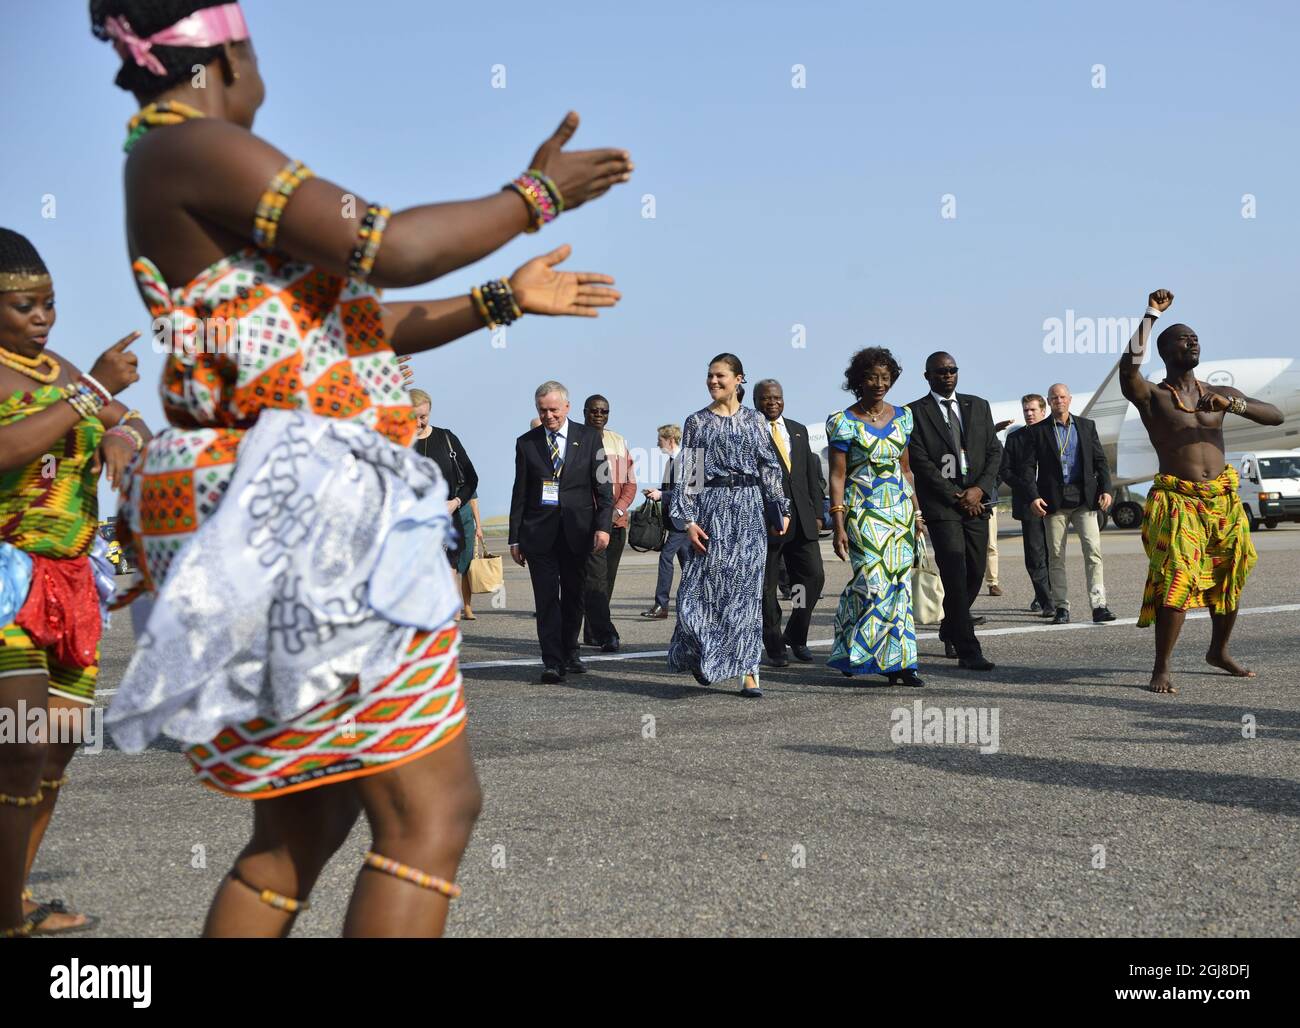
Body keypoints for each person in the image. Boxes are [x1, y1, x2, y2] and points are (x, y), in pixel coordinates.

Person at [92, 0, 631, 938]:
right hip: (301, 515)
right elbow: (386, 243)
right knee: (431, 814)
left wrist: (502, 298)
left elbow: (359, 326)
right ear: (224, 52)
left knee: (304, 821)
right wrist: (534, 195)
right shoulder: (192, 147)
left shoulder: (169, 163)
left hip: (255, 511)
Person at [0, 228, 150, 936]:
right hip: (8, 582)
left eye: (50, 303)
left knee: (55, 750)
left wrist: (122, 435)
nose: (43, 317)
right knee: (18, 744)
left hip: (75, 582)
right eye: (25, 305)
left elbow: (134, 423)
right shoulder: (61, 380)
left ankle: (15, 898)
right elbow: (6, 448)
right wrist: (93, 394)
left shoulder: (60, 370)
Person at [1119, 289, 1283, 694]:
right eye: (1183, 338)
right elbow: (1127, 371)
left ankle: (1218, 651)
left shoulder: (1218, 395)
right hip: (1178, 502)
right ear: (1164, 351)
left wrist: (1232, 406)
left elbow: (1275, 417)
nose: (1192, 342)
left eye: (1195, 338)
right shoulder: (1154, 397)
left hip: (1223, 501)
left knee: (1229, 578)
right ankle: (1162, 667)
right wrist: (1151, 315)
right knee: (1177, 579)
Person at [668, 354, 789, 698]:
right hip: (712, 511)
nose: (713, 381)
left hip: (749, 511)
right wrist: (689, 521)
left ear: (739, 379)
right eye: (709, 376)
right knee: (701, 592)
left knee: (747, 596)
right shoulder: (697, 422)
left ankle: (749, 672)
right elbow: (690, 476)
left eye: (720, 376)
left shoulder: (755, 421)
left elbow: (769, 467)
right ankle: (703, 655)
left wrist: (781, 507)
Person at [825, 348, 921, 686]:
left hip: (900, 513)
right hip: (863, 514)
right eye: (871, 377)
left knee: (899, 585)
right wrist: (838, 523)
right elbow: (837, 476)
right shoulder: (843, 422)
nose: (879, 384)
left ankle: (901, 663)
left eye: (885, 377)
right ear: (858, 381)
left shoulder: (904, 417)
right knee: (872, 584)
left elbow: (906, 470)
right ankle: (854, 648)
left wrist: (917, 514)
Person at [509, 381, 613, 682]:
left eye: (554, 409)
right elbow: (520, 492)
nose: (549, 416)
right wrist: (514, 537)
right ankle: (552, 661)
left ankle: (570, 651)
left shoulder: (590, 438)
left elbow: (603, 489)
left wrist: (603, 528)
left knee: (573, 596)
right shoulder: (526, 443)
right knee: (545, 600)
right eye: (542, 410)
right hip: (538, 535)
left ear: (567, 407)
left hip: (577, 532)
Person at [906, 352, 1000, 671]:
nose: (947, 375)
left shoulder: (979, 406)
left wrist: (978, 490)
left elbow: (993, 452)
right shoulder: (915, 413)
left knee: (975, 570)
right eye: (941, 371)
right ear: (927, 376)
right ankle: (968, 648)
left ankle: (950, 627)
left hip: (977, 504)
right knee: (956, 574)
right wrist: (957, 495)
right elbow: (920, 461)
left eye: (952, 370)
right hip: (943, 507)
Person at [1011, 383, 1116, 625]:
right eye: (1054, 398)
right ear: (1049, 402)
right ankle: (1061, 607)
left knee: (1093, 552)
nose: (1059, 401)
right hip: (1053, 503)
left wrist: (1107, 490)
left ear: (1069, 399)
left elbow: (1100, 461)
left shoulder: (1087, 426)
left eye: (1062, 397)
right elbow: (1027, 469)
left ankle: (1099, 605)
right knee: (1056, 556)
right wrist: (1033, 496)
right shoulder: (1038, 431)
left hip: (1084, 500)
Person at [753, 379, 825, 666]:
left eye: (777, 398)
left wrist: (818, 513)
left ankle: (796, 634)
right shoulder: (751, 432)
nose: (772, 403)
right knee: (767, 588)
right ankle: (774, 645)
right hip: (767, 522)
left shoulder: (798, 430)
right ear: (756, 402)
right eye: (765, 399)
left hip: (803, 519)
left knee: (812, 578)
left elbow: (809, 474)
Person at [410, 389, 481, 622]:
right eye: (413, 417)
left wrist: (456, 502)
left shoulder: (446, 438)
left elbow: (472, 478)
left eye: (424, 417)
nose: (419, 423)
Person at [579, 394, 636, 652]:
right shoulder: (576, 440)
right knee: (595, 580)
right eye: (594, 411)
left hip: (617, 522)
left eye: (604, 411)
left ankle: (592, 631)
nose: (599, 415)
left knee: (607, 581)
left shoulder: (618, 441)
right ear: (584, 412)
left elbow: (630, 483)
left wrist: (619, 509)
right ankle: (606, 633)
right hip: (590, 524)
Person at [999, 394, 1054, 615]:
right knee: (1035, 555)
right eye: (1026, 411)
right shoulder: (1015, 438)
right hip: (1028, 503)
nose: (1029, 414)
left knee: (1053, 553)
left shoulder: (1054, 433)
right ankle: (1047, 601)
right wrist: (1028, 491)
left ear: (1043, 410)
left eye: (1032, 410)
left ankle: (1046, 596)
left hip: (1055, 503)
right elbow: (1005, 471)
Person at [640, 424, 687, 619]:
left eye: (660, 439)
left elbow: (687, 491)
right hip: (677, 522)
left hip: (683, 521)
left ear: (670, 440)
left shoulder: (686, 461)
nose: (657, 443)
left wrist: (662, 494)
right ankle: (693, 604)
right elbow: (671, 489)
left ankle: (662, 606)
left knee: (666, 558)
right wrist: (656, 491)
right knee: (689, 564)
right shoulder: (671, 462)